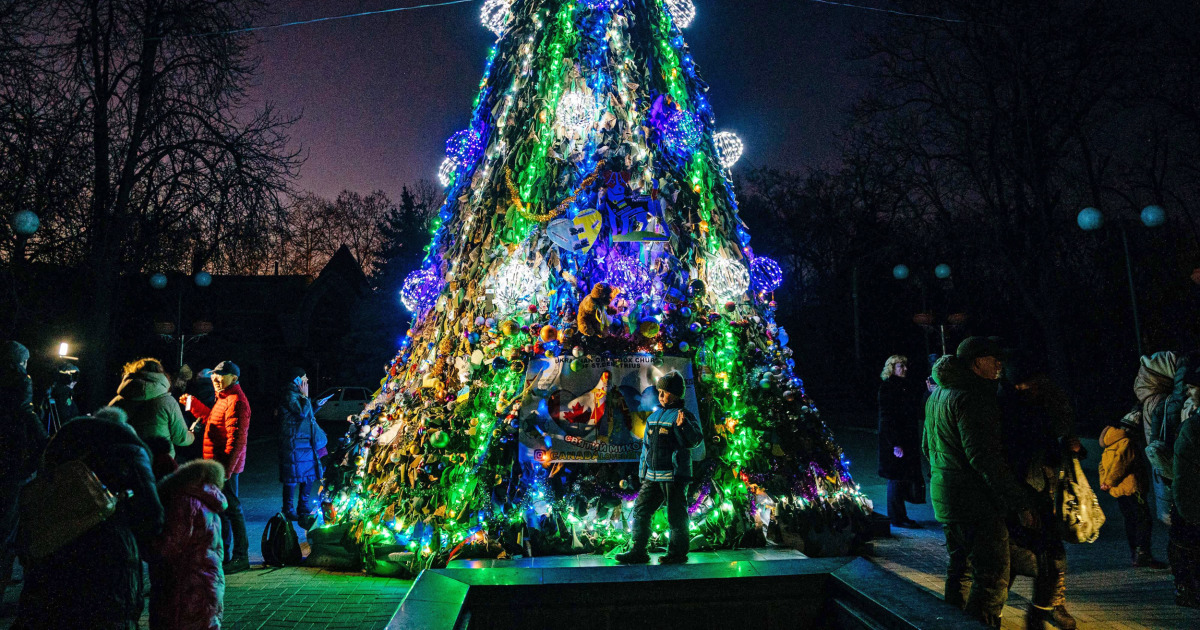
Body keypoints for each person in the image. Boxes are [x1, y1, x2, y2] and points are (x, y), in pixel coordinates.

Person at [14, 411, 164, 629]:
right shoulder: (129, 450)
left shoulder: (60, 448)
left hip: (53, 557)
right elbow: (151, 517)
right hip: (109, 562)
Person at [923, 337, 1032, 628]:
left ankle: (951, 624)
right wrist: (1019, 502)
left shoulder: (939, 393)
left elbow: (926, 447)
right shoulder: (973, 397)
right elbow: (985, 458)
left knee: (960, 570)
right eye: (992, 359)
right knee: (991, 578)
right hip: (975, 503)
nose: (999, 364)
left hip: (946, 497)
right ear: (976, 363)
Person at [998, 355, 1082, 630]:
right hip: (1024, 491)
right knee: (1017, 552)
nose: (1031, 388)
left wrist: (1071, 448)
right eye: (1026, 384)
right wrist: (1021, 502)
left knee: (1051, 553)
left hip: (1047, 488)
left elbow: (1056, 437)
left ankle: (1049, 606)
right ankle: (995, 607)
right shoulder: (1008, 406)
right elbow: (1010, 454)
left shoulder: (1047, 401)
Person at [615, 370, 704, 565]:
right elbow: (646, 447)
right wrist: (643, 472)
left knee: (676, 514)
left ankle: (677, 553)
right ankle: (638, 550)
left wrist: (684, 426)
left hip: (674, 476)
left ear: (676, 394)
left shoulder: (683, 415)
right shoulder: (653, 417)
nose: (661, 396)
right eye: (660, 392)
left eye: (665, 392)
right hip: (653, 475)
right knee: (641, 509)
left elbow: (695, 441)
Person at [182, 361, 251, 574]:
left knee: (232, 510)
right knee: (224, 510)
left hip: (224, 468)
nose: (216, 378)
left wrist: (226, 471)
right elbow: (213, 420)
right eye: (214, 374)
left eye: (221, 375)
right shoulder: (224, 398)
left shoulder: (237, 401)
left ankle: (241, 557)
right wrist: (194, 405)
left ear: (234, 378)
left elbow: (237, 441)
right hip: (218, 466)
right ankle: (226, 555)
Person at [149, 458, 227, 630]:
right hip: (211, 579)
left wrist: (150, 547)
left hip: (189, 581)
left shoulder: (185, 502)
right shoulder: (210, 502)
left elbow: (172, 543)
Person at [0, 342, 47, 588]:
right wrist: (45, 440)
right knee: (9, 521)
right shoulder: (19, 379)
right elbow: (25, 412)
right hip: (13, 456)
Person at [1099, 409, 1166, 568]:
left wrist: (1104, 482)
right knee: (1143, 520)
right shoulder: (1127, 443)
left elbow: (1102, 465)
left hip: (1119, 491)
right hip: (1132, 489)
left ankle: (1134, 554)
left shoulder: (1111, 443)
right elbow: (1120, 463)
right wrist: (1109, 481)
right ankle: (1143, 554)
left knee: (1130, 521)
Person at [109, 357, 195, 457]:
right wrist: (191, 434)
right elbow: (181, 438)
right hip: (159, 460)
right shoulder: (168, 401)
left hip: (128, 459)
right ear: (160, 374)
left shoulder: (117, 401)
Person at [877, 354, 924, 529]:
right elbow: (887, 418)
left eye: (904, 366)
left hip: (904, 439)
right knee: (896, 478)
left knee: (901, 478)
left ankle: (899, 515)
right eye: (900, 366)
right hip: (896, 441)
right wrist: (895, 443)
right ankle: (897, 517)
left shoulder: (903, 386)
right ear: (892, 369)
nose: (904, 369)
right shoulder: (888, 388)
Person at [277, 368, 327, 526]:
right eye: (304, 377)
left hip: (304, 441)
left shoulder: (296, 394)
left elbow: (306, 414)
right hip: (294, 442)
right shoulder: (289, 395)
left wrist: (315, 405)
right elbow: (301, 413)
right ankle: (288, 509)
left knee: (309, 475)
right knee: (292, 477)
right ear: (297, 380)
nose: (307, 380)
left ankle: (303, 507)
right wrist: (305, 397)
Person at [1171, 369, 1200, 608]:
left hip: (1192, 503)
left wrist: (1184, 509)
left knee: (1184, 547)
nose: (1189, 393)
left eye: (1192, 388)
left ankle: (1187, 591)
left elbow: (1182, 475)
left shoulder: (1192, 427)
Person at [43, 363, 79, 433]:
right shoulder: (64, 395)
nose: (75, 382)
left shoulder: (64, 394)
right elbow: (65, 418)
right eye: (74, 377)